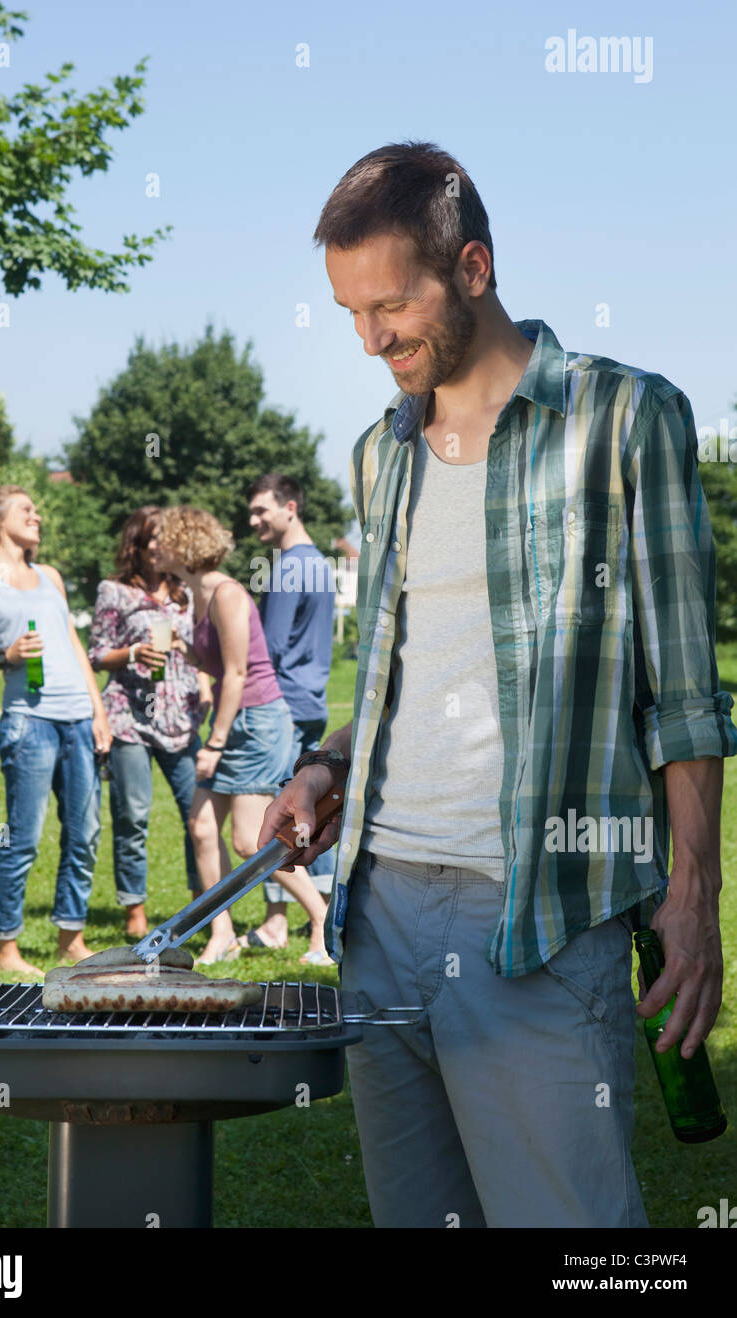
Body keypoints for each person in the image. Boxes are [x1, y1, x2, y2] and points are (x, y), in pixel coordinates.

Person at [257, 141, 737, 1228]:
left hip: (539, 918)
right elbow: (397, 668)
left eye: (390, 304)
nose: (371, 338)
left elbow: (685, 693)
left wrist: (692, 890)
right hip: (376, 916)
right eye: (347, 313)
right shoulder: (379, 454)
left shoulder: (622, 419)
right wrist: (329, 764)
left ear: (472, 268)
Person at [0, 485, 112, 976]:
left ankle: (71, 939)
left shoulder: (50, 576)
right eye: (27, 510)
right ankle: (7, 948)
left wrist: (98, 709)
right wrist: (5, 656)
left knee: (84, 834)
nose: (37, 516)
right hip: (29, 724)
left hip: (78, 719)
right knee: (22, 837)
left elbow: (74, 645)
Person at [151, 504, 330, 965]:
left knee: (249, 841)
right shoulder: (196, 595)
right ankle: (222, 932)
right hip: (235, 720)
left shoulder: (226, 593)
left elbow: (234, 674)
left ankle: (322, 920)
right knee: (202, 826)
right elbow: (217, 661)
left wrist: (214, 743)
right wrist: (183, 647)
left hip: (254, 723)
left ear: (184, 544)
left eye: (160, 538)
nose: (152, 546)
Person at [88, 506, 222, 937]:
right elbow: (96, 653)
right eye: (150, 538)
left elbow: (200, 646)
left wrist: (203, 686)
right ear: (136, 544)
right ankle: (135, 912)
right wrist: (130, 654)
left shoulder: (185, 589)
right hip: (129, 714)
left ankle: (198, 904)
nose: (157, 546)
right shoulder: (114, 592)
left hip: (181, 716)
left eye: (162, 538)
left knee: (196, 814)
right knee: (133, 816)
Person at [240, 473, 336, 960]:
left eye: (262, 510)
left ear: (290, 507)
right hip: (311, 699)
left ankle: (327, 923)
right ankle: (277, 922)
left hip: (284, 705)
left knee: (290, 815)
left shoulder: (289, 569)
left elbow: (270, 649)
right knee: (305, 810)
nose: (254, 519)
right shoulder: (318, 563)